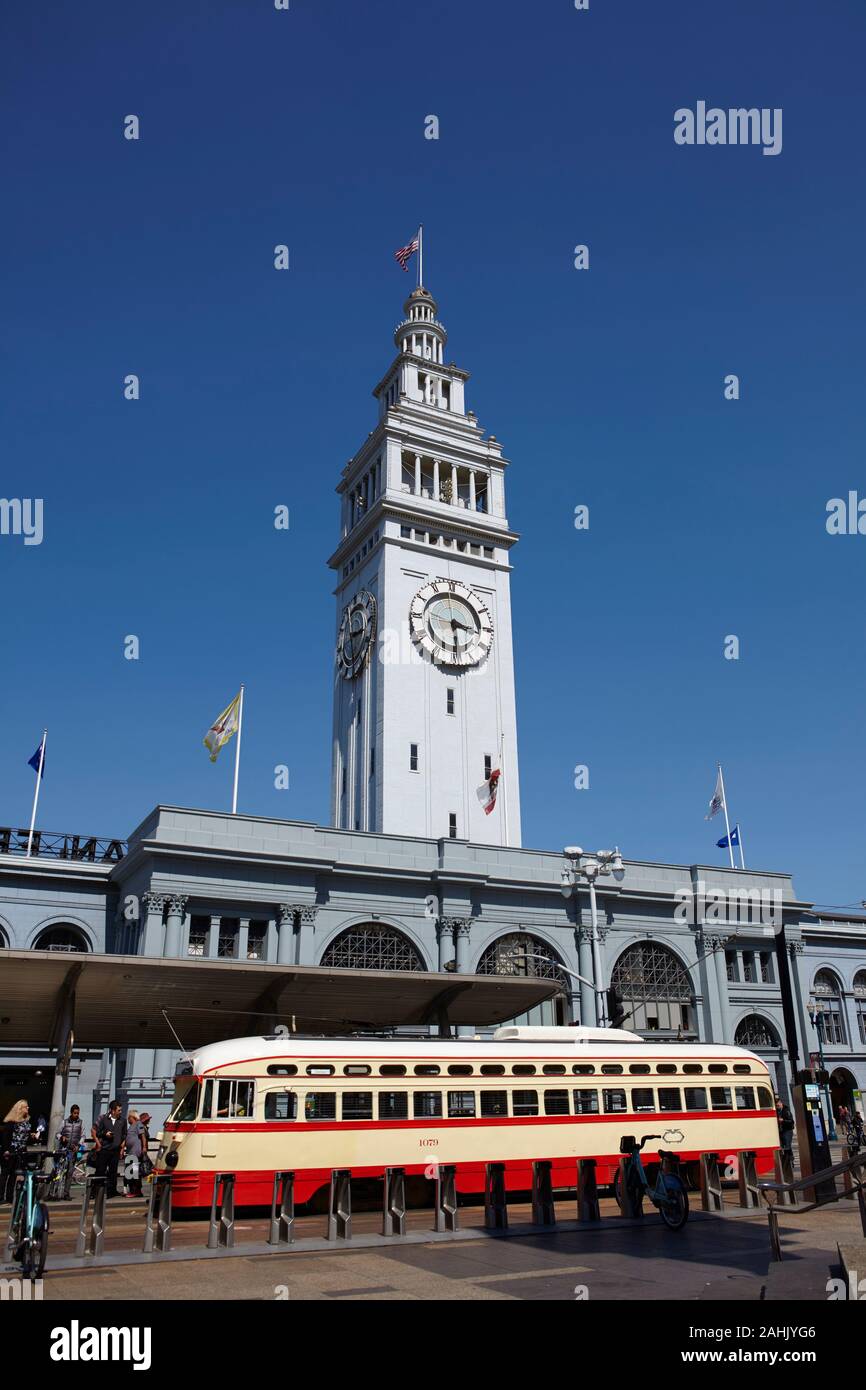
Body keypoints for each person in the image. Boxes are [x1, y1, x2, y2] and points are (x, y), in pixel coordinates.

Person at [0, 1101, 37, 1203]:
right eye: (26, 1107)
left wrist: (32, 1136)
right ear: (20, 1109)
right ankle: (0, 1197)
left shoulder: (27, 1121)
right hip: (10, 1151)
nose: (28, 1108)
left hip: (20, 1152)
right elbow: (5, 1138)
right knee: (5, 1174)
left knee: (14, 1175)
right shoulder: (11, 1121)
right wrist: (6, 1150)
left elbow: (26, 1137)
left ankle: (9, 1197)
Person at [91, 1100, 127, 1199]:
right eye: (119, 1110)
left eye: (121, 1110)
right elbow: (97, 1133)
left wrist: (122, 1148)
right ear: (113, 1111)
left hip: (115, 1150)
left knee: (113, 1172)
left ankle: (112, 1191)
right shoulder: (104, 1119)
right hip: (105, 1150)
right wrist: (105, 1134)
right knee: (100, 1170)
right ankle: (96, 1191)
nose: (120, 1112)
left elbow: (124, 1135)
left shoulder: (123, 1121)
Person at [56, 1105, 83, 1199]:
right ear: (71, 1113)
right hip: (63, 1150)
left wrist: (79, 1146)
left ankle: (66, 1193)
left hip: (73, 1151)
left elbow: (82, 1136)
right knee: (58, 1171)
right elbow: (57, 1134)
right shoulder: (64, 1122)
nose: (76, 1115)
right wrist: (62, 1137)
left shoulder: (80, 1123)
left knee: (70, 1173)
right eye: (75, 1113)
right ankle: (54, 1191)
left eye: (78, 1113)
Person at [123, 1110, 144, 1197]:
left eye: (129, 1117)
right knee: (129, 1172)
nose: (128, 1119)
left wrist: (145, 1148)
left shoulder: (138, 1124)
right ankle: (131, 1190)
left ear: (133, 1117)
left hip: (135, 1152)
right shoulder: (131, 1126)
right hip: (129, 1152)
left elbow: (143, 1136)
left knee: (134, 1172)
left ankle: (136, 1191)